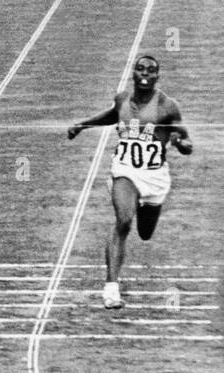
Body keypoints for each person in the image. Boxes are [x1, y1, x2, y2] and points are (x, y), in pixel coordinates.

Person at [67, 55, 193, 310]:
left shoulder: (168, 106)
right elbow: (112, 115)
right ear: (133, 73)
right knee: (124, 220)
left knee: (145, 233)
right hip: (124, 171)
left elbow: (187, 142)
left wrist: (181, 143)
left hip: (154, 178)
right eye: (140, 69)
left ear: (158, 76)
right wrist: (83, 124)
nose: (145, 74)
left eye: (151, 70)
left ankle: (146, 212)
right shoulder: (122, 99)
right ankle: (111, 288)